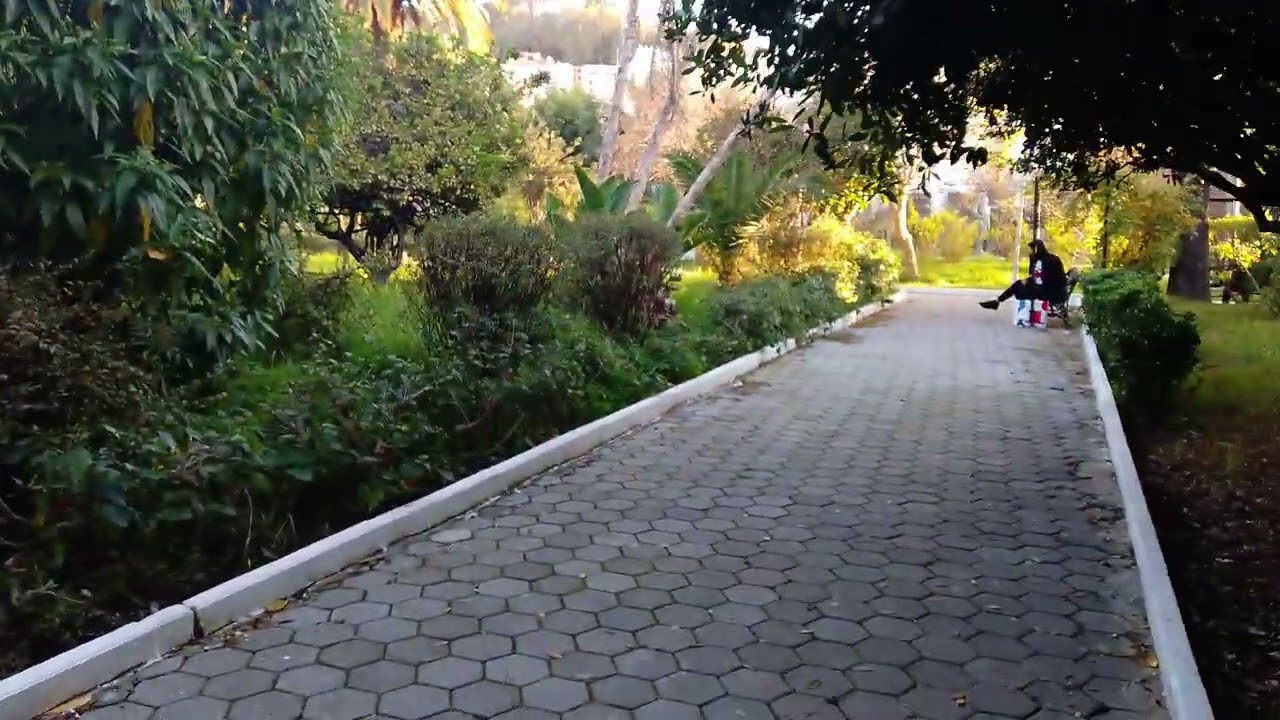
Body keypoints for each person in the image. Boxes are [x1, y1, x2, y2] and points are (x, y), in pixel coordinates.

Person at [978, 239, 1067, 310]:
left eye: (1032, 250)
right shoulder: (1045, 259)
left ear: (1036, 250)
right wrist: (1029, 278)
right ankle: (997, 302)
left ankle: (997, 302)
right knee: (1018, 284)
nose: (1031, 252)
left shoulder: (1046, 261)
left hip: (1048, 292)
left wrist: (1031, 279)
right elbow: (1036, 276)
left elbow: (1044, 280)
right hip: (1050, 289)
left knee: (1018, 287)